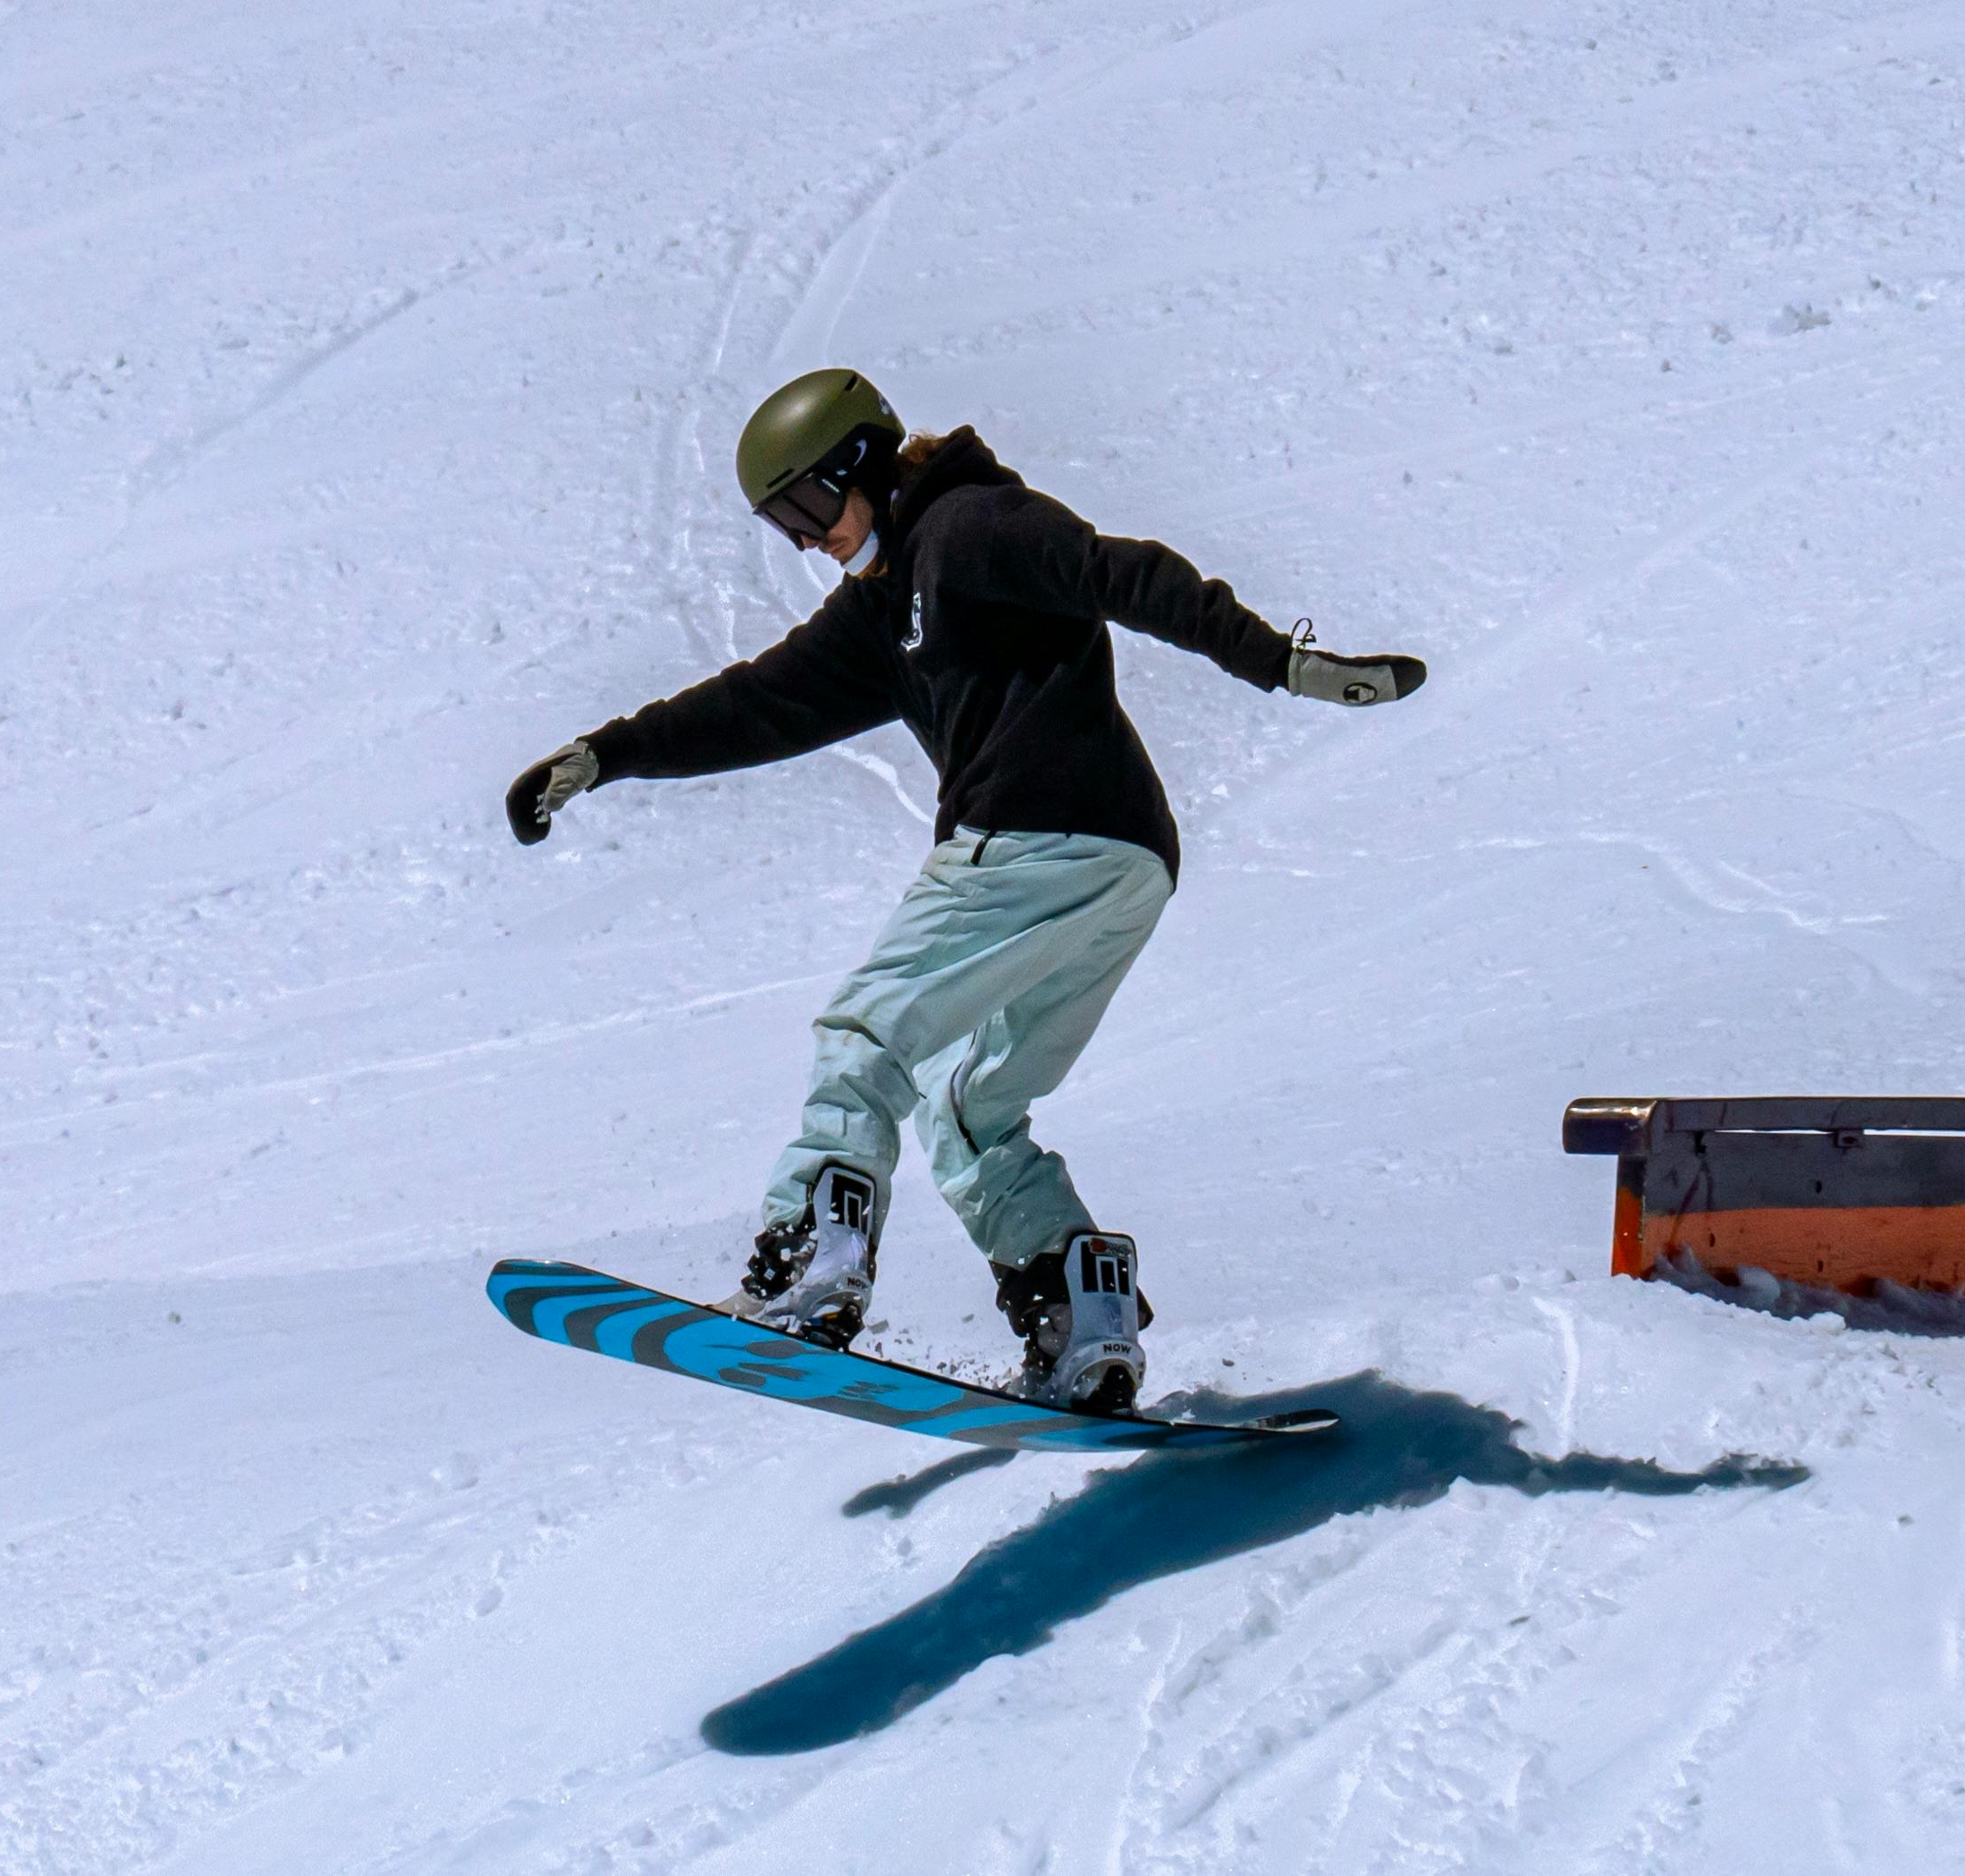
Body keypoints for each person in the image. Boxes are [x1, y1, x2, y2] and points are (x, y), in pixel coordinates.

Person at [505, 370, 1423, 1413]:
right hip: (1124, 865)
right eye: (781, 523)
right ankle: (1084, 1316)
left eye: (808, 505)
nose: (807, 538)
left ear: (861, 461)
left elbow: (1120, 573)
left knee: (866, 1037)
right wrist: (609, 754)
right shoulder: (880, 610)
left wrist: (1277, 664)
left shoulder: (968, 526)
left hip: (1032, 835)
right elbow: (753, 704)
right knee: (970, 1107)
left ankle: (816, 1255)